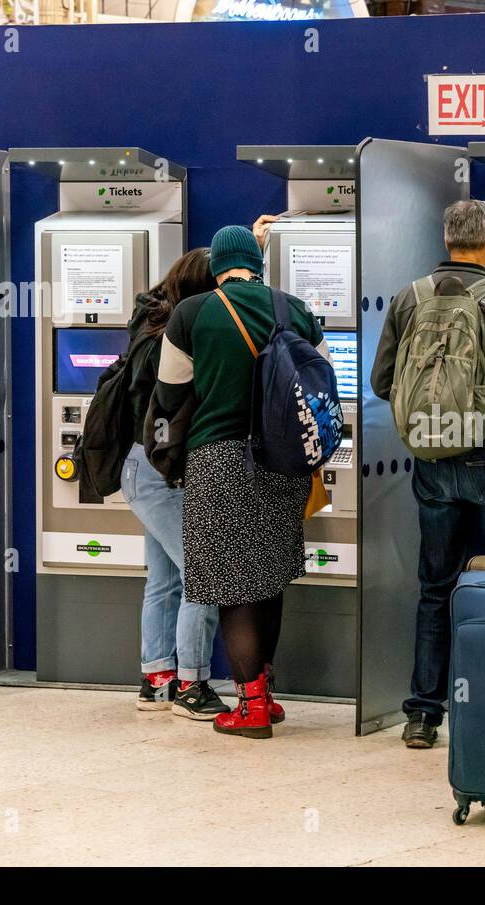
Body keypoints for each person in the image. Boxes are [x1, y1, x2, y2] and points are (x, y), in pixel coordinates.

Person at [372, 199, 485, 749]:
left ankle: (423, 715)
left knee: (436, 587)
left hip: (430, 464)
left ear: (447, 239)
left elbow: (383, 382)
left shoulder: (409, 298)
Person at [152, 223, 324, 740]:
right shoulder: (292, 307)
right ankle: (266, 695)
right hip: (282, 461)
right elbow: (317, 377)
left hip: (220, 462)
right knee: (267, 579)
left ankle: (248, 709)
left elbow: (168, 392)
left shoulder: (191, 313)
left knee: (232, 588)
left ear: (217, 266)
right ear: (256, 262)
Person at [124, 248, 226, 720]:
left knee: (164, 578)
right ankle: (192, 683)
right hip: (160, 470)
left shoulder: (149, 322)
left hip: (141, 466)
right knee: (201, 575)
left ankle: (158, 676)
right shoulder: (176, 338)